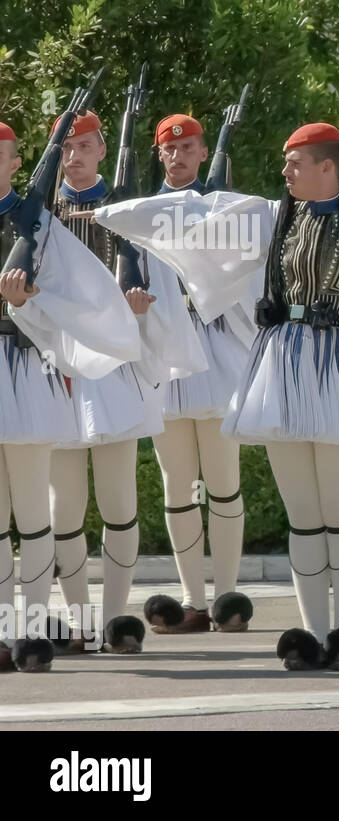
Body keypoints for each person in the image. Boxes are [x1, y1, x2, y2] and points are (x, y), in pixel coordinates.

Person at [91, 121, 339, 670]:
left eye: (296, 162)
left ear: (330, 167)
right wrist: (116, 215)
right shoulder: (271, 218)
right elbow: (198, 220)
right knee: (304, 516)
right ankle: (313, 632)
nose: (285, 172)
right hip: (283, 366)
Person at [49, 110, 202, 655]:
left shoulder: (125, 209)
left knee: (118, 502)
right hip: (60, 367)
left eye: (85, 146)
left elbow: (158, 278)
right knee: (63, 509)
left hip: (113, 367)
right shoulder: (40, 210)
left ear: (101, 148)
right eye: (66, 147)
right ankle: (76, 618)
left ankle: (114, 619)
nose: (75, 156)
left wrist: (139, 309)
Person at [0, 119, 141, 670]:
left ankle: (37, 632)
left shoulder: (40, 222)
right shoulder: (43, 213)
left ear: (17, 161)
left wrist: (28, 301)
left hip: (32, 365)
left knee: (42, 513)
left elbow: (76, 297)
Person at [141, 113, 257, 636]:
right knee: (177, 485)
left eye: (188, 147)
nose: (179, 155)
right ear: (159, 156)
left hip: (215, 351)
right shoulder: (143, 214)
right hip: (167, 350)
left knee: (224, 483)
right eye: (171, 149)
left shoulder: (224, 209)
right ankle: (191, 598)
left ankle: (227, 596)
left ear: (204, 153)